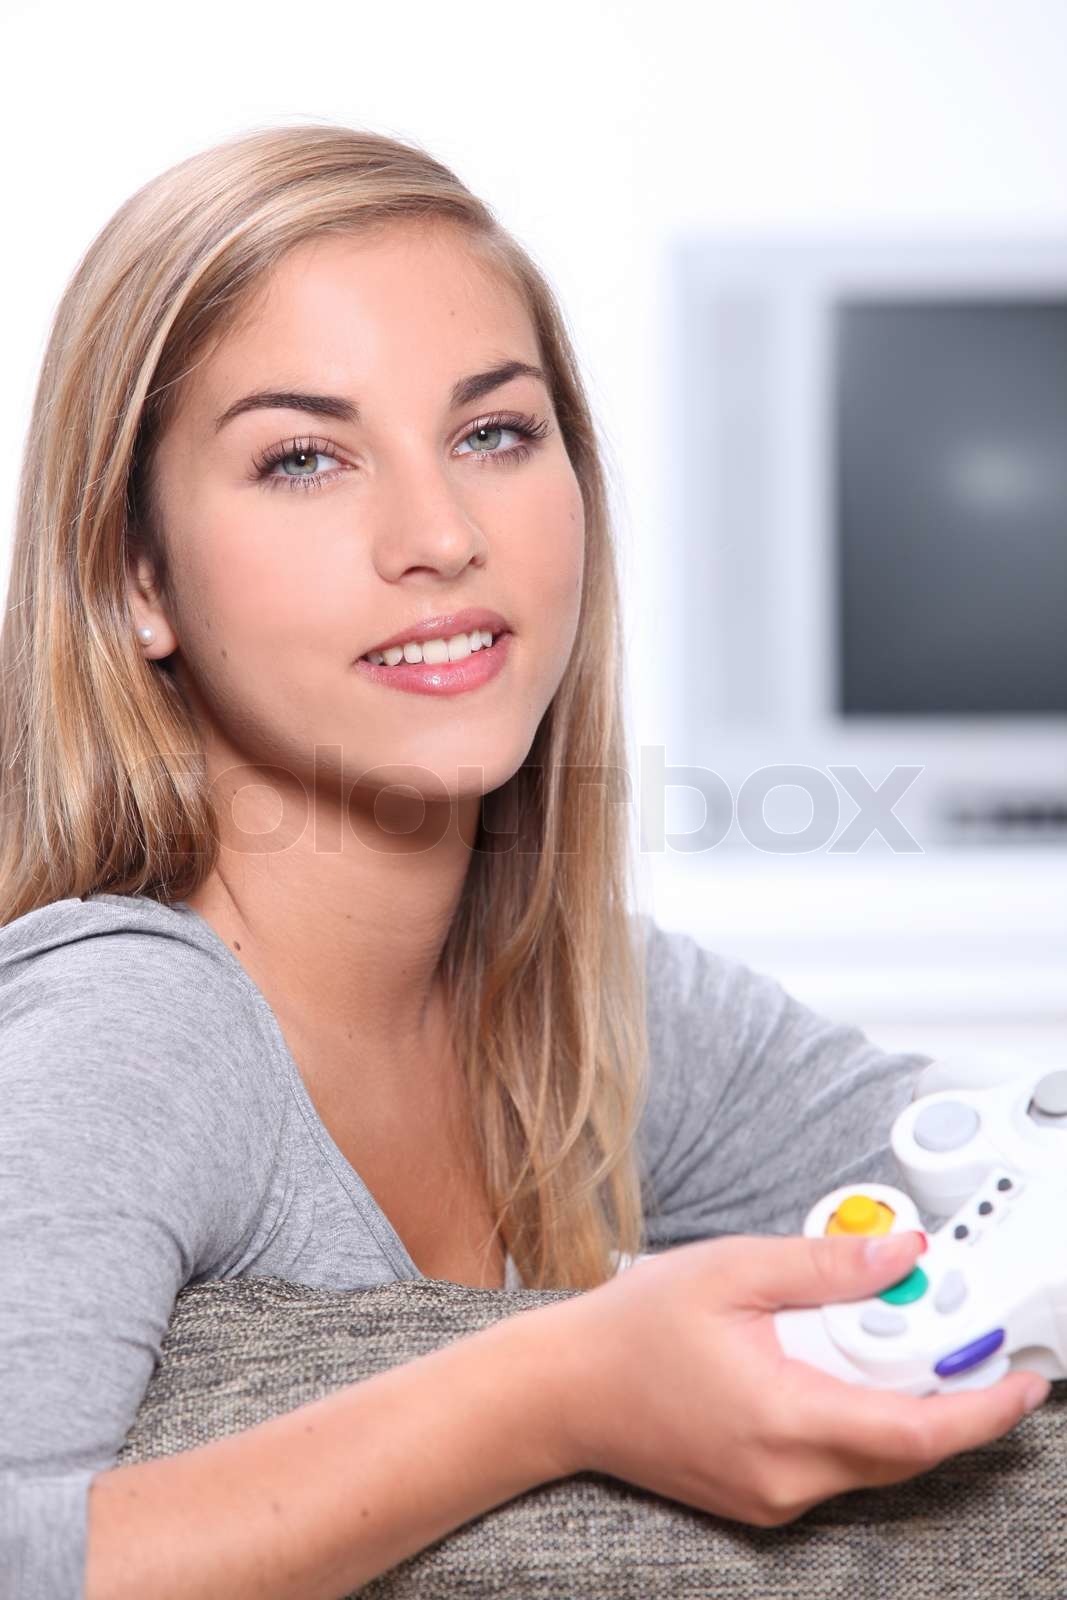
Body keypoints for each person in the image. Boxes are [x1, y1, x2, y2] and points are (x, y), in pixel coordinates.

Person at [0, 122, 1049, 1600]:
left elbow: (990, 1180)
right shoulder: (133, 1029)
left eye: (495, 433)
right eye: (303, 459)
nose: (439, 534)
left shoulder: (584, 995)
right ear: (135, 581)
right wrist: (548, 1389)